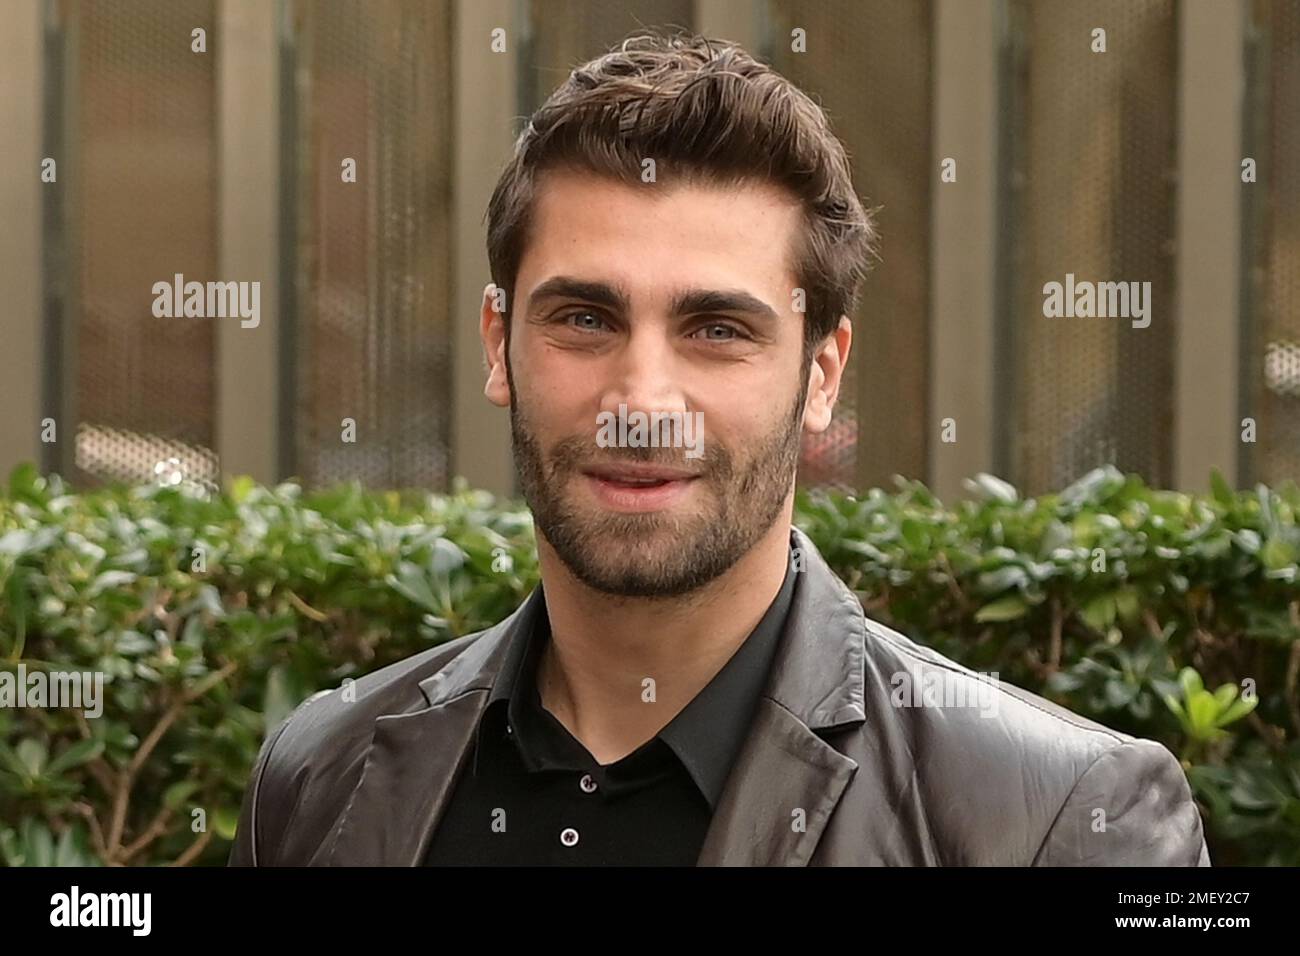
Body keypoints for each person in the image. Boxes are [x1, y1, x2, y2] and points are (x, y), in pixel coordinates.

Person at [229, 30, 1209, 866]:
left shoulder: (1060, 820)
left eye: (717, 329)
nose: (642, 401)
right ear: (500, 345)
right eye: (583, 317)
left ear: (821, 372)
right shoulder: (321, 776)